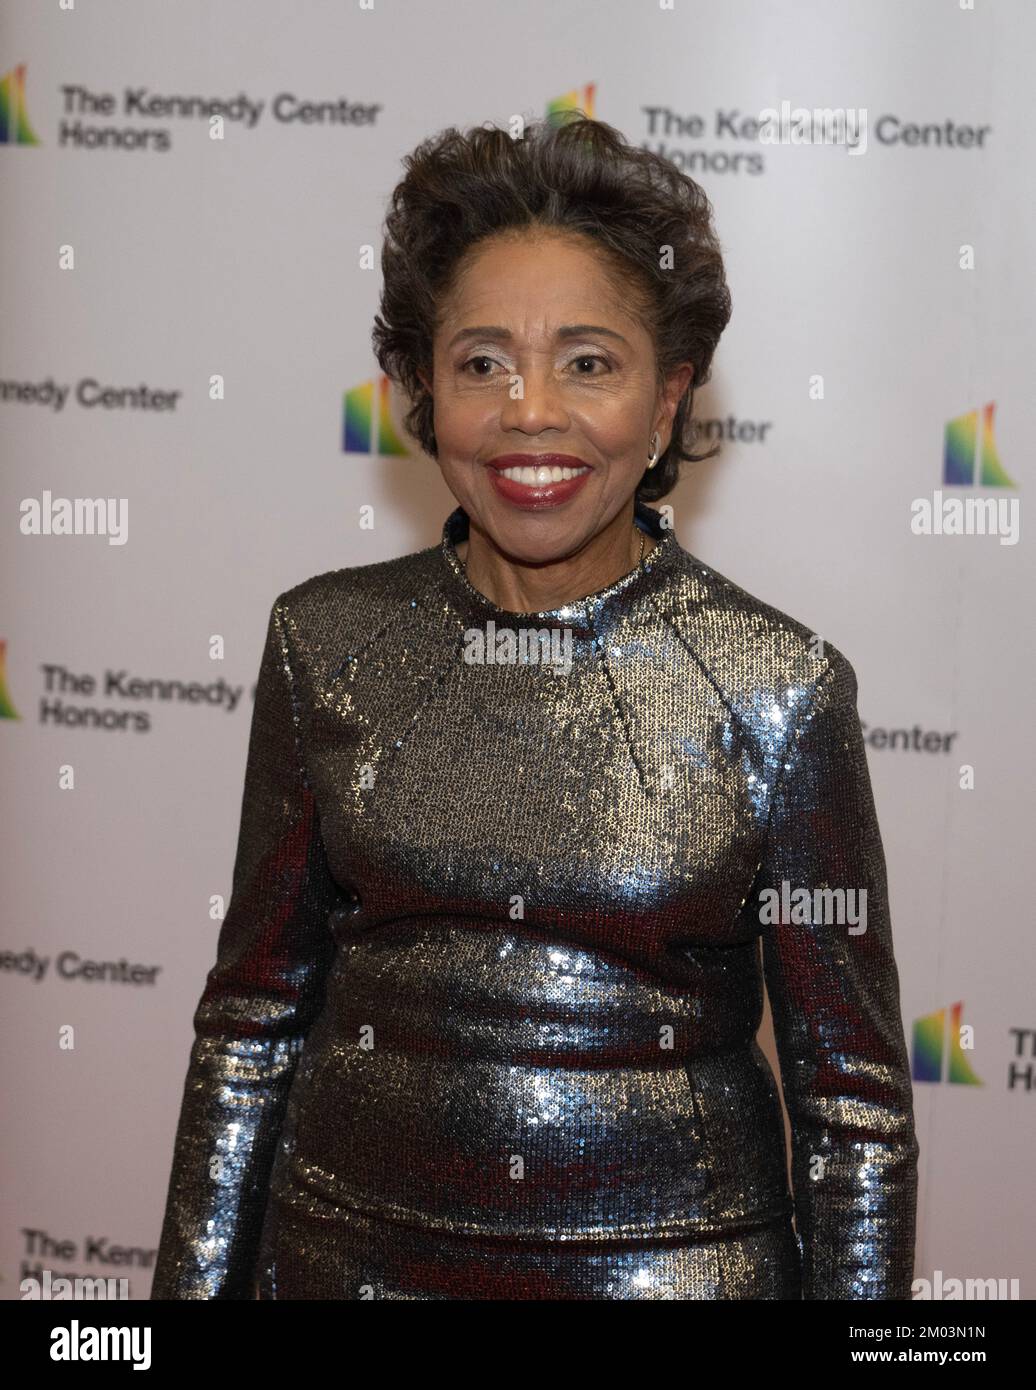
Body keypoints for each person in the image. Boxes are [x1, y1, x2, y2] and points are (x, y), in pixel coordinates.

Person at [150, 115, 919, 1300]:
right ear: (418, 389)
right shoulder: (327, 643)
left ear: (666, 401)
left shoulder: (780, 689)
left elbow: (850, 1106)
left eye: (588, 362)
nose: (530, 413)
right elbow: (250, 1026)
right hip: (341, 1266)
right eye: (482, 362)